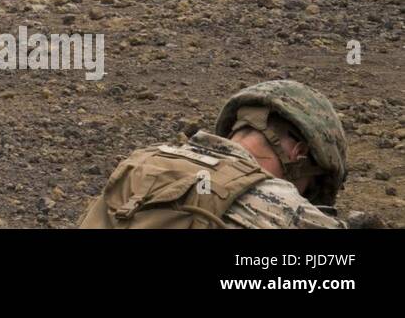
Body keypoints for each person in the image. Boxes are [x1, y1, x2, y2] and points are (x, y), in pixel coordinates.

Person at [78, 79, 349, 228]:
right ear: (299, 153)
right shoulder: (280, 203)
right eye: (308, 186)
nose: (301, 193)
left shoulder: (143, 162)